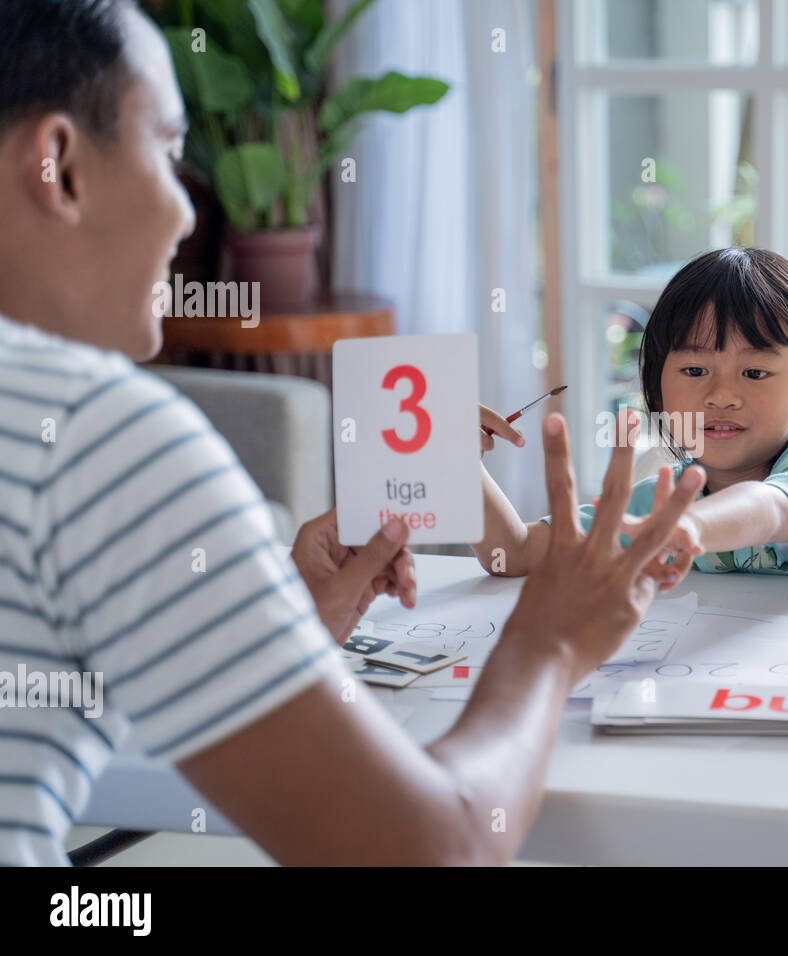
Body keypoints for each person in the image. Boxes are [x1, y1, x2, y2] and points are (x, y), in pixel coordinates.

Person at [0, 0, 702, 866]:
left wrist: (266, 622)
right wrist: (550, 644)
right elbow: (433, 850)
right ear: (59, 166)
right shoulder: (98, 438)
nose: (188, 216)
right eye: (170, 151)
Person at [474, 247, 788, 581]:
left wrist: (688, 526)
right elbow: (513, 554)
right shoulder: (661, 503)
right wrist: (458, 458)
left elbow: (767, 510)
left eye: (754, 372)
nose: (722, 395)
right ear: (658, 389)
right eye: (695, 370)